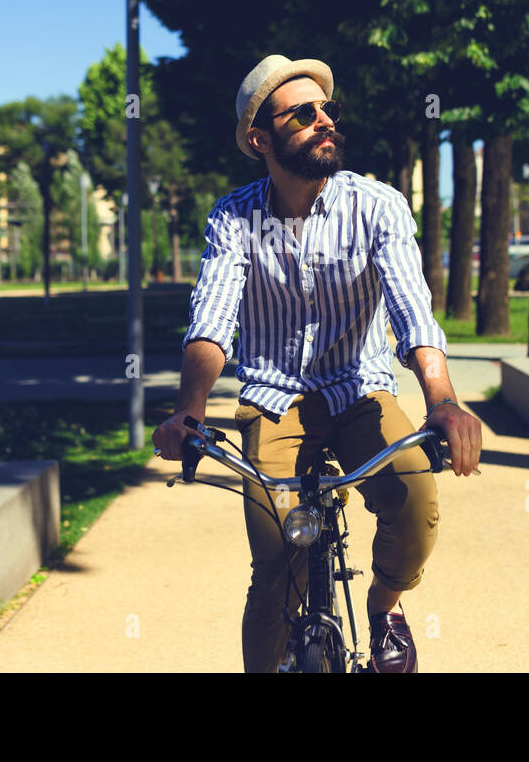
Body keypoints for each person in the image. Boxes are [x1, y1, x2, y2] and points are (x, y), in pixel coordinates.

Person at [151, 54, 483, 673]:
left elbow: (412, 309)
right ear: (261, 139)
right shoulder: (235, 217)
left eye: (326, 109)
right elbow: (212, 320)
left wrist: (441, 400)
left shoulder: (377, 206)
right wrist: (188, 412)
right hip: (274, 399)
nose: (324, 121)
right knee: (276, 559)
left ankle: (385, 606)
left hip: (359, 390)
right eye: (303, 114)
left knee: (414, 496)